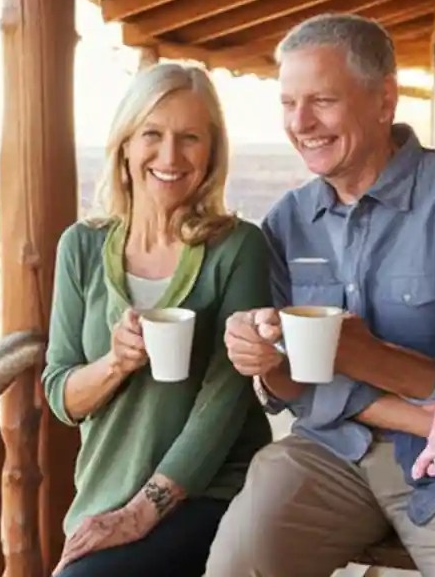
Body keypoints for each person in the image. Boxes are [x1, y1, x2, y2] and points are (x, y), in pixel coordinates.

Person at [206, 13, 435, 576]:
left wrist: (375, 360)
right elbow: (291, 387)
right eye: (288, 102)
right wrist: (260, 355)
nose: (301, 123)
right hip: (329, 451)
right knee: (238, 563)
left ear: (384, 100)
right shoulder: (289, 222)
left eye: (322, 100)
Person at [41, 62, 273, 576]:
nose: (170, 156)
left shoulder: (238, 247)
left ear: (212, 152)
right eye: (153, 134)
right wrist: (116, 363)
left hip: (209, 491)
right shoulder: (80, 247)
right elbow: (61, 395)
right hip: (105, 495)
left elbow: (224, 404)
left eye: (190, 137)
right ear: (125, 144)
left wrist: (141, 512)